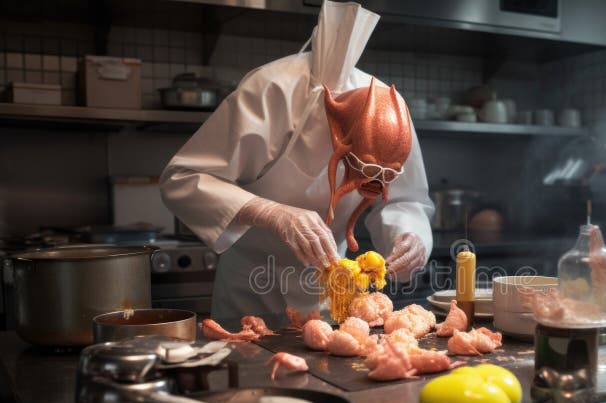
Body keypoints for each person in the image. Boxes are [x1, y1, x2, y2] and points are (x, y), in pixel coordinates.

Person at [160, 1, 434, 319]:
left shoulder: (390, 108)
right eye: (355, 166)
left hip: (334, 296)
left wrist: (410, 236)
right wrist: (271, 213)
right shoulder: (271, 90)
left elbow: (406, 200)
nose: (363, 179)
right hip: (250, 293)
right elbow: (183, 178)